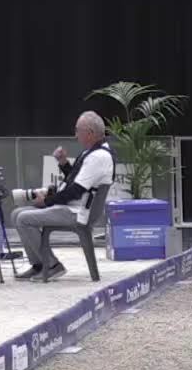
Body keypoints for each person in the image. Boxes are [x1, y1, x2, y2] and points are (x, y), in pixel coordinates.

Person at [10, 110, 114, 282]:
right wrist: (63, 163)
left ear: (89, 133)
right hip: (72, 206)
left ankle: (52, 265)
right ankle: (39, 265)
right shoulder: (91, 152)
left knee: (23, 219)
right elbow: (75, 181)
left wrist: (48, 201)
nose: (75, 135)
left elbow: (75, 191)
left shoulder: (98, 157)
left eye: (78, 130)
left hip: (77, 212)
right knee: (16, 214)